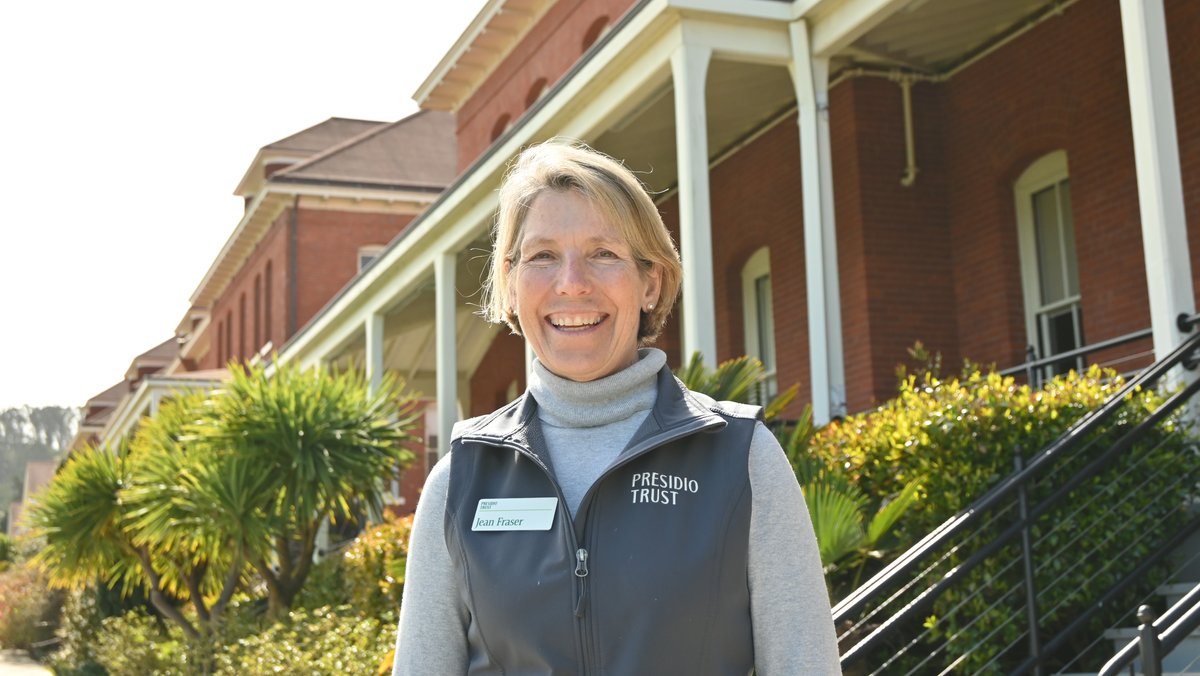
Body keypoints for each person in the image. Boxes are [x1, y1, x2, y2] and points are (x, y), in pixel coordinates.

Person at [392, 140, 841, 675]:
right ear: (511, 287)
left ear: (650, 283)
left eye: (603, 253)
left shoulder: (740, 459)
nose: (572, 283)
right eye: (542, 256)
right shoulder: (461, 481)